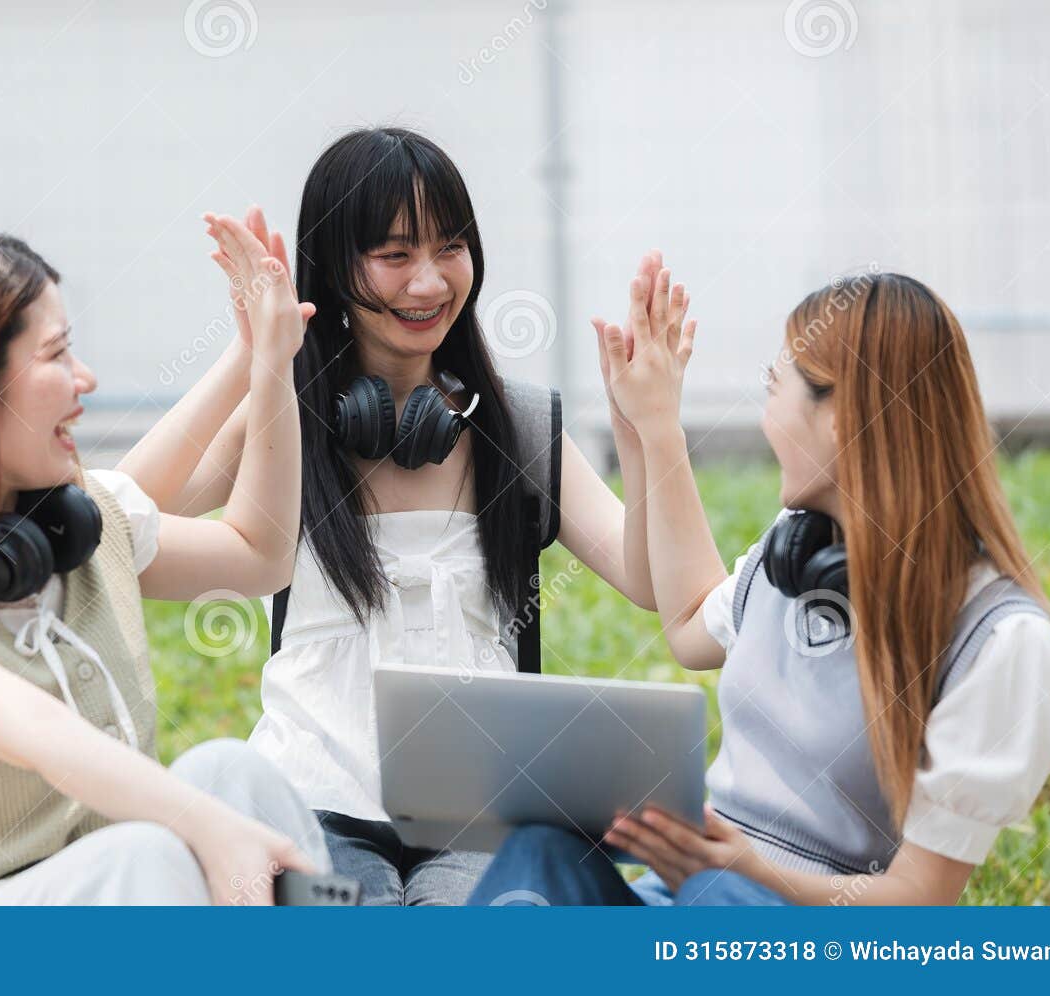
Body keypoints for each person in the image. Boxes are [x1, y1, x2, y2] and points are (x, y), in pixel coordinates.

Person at [128, 128, 668, 904]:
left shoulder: (519, 427)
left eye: (450, 247)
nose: (428, 282)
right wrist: (256, 356)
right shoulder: (283, 419)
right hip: (313, 806)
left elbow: (652, 581)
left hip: (481, 818)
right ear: (335, 267)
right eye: (393, 255)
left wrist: (647, 434)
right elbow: (119, 518)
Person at [468, 263, 1050, 905]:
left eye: (772, 387)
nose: (764, 416)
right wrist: (650, 424)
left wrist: (748, 874)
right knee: (539, 856)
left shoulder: (1002, 640)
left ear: (841, 415)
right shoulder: (799, 550)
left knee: (718, 900)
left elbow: (921, 900)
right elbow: (687, 624)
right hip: (690, 897)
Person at [0, 217, 329, 905]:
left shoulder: (73, 530)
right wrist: (209, 831)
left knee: (231, 774)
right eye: (58, 355)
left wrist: (266, 358)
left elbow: (258, 556)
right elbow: (38, 732)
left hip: (129, 897)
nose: (86, 379)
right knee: (147, 853)